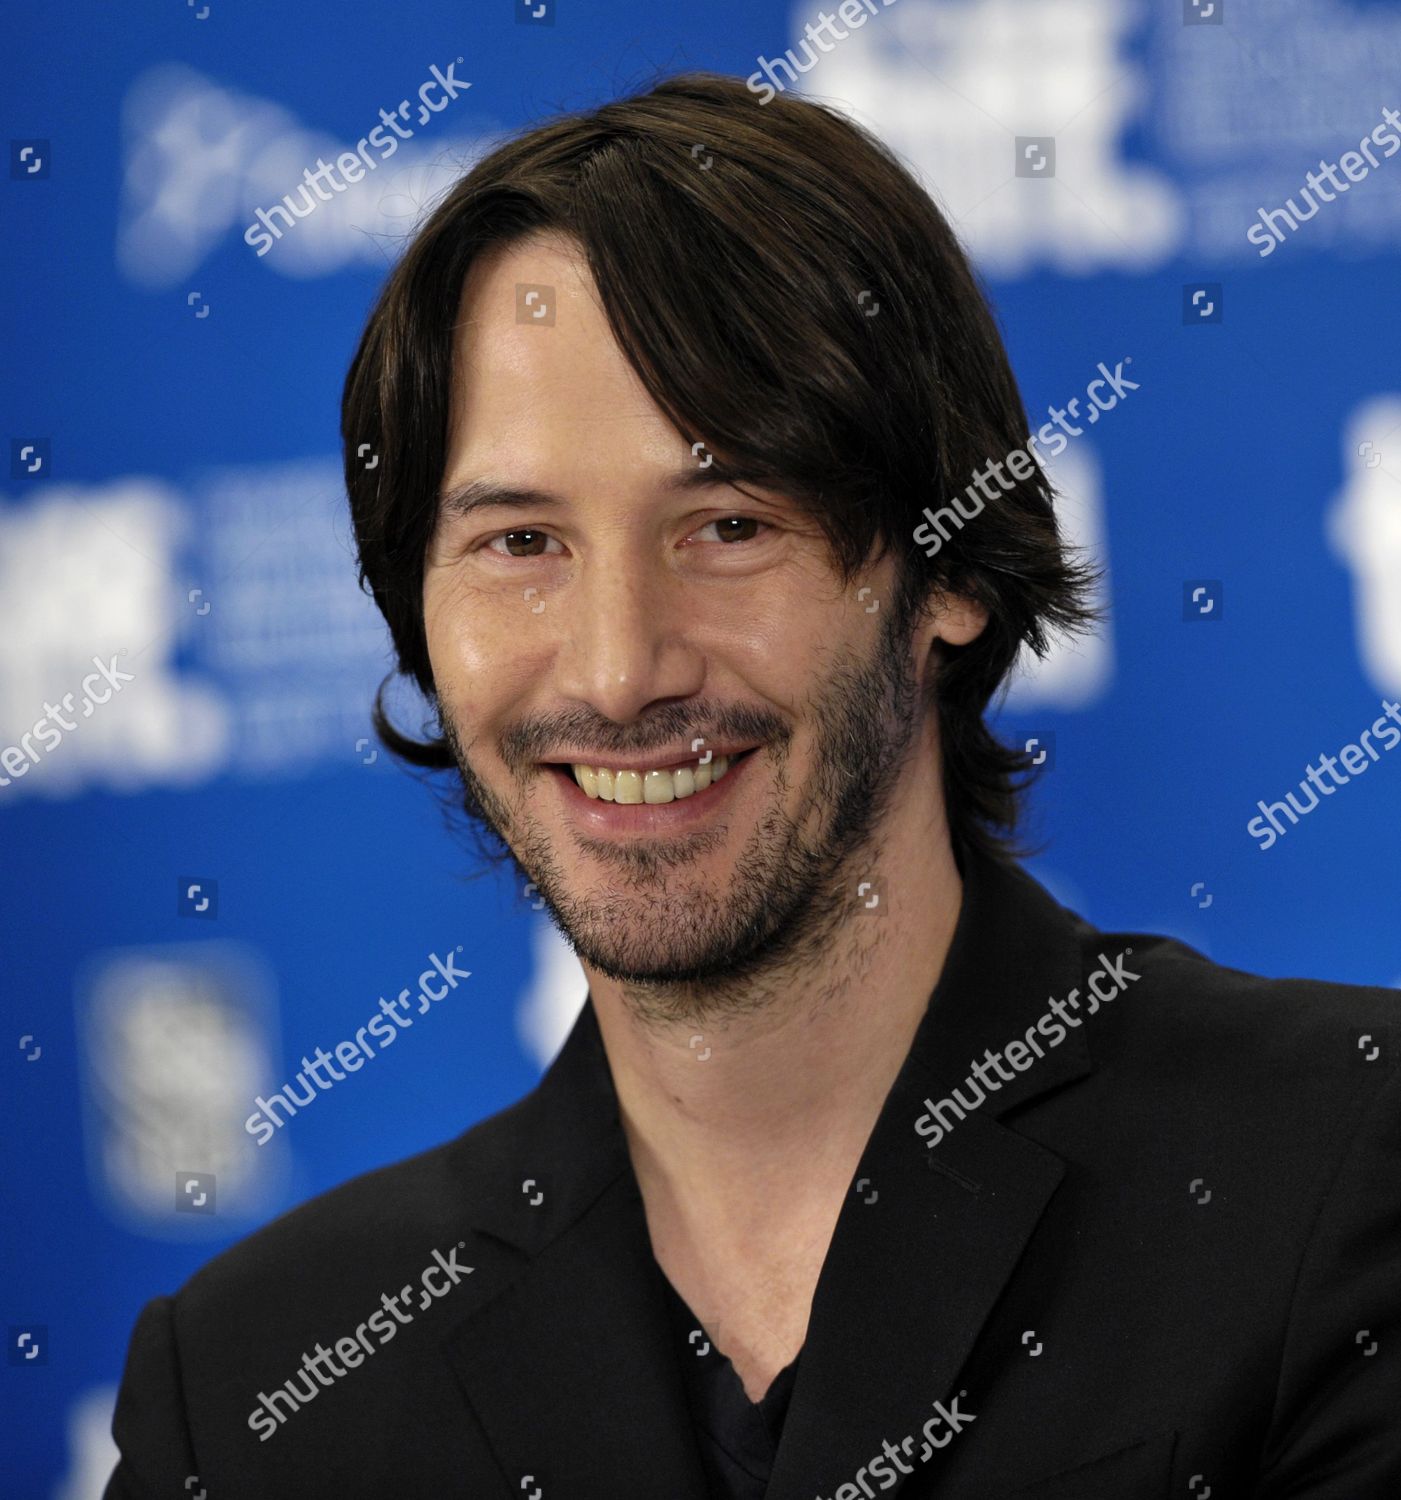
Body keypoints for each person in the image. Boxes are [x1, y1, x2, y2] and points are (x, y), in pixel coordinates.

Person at [104, 71, 1400, 1499]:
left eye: (728, 525)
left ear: (948, 570)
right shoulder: (256, 1388)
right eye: (519, 544)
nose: (613, 670)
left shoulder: (1339, 1172)